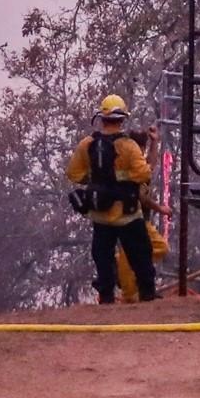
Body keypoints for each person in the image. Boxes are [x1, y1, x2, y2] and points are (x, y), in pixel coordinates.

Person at [65, 93, 157, 304]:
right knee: (140, 254)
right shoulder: (129, 146)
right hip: (128, 214)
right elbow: (144, 174)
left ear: (102, 118)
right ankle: (147, 294)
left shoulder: (87, 144)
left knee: (102, 257)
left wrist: (95, 179)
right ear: (122, 119)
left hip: (100, 214)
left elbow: (73, 174)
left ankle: (106, 296)